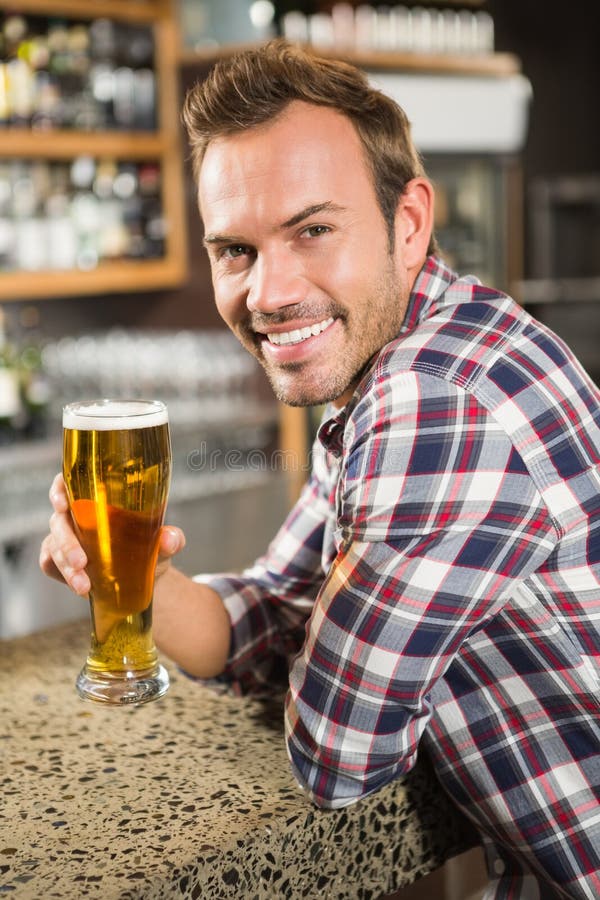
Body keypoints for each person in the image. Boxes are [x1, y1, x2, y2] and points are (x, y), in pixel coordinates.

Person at [40, 40, 600, 899]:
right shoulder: (408, 355)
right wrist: (136, 573)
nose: (268, 292)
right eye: (236, 250)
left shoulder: (434, 402)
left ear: (407, 223)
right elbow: (273, 607)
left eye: (312, 229)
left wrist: (320, 641)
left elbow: (337, 756)